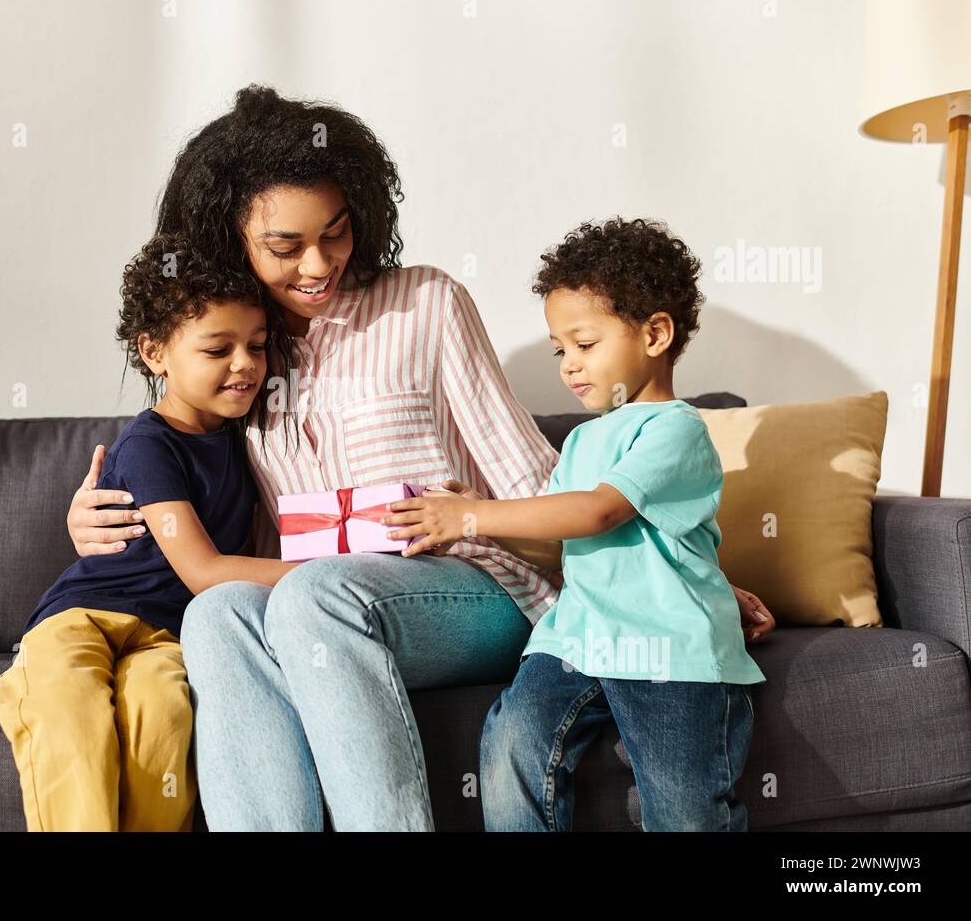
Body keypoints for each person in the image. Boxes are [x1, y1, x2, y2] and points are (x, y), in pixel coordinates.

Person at [65, 85, 775, 831]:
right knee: (216, 615)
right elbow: (175, 464)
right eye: (284, 247)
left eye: (335, 233)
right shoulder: (236, 354)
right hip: (318, 610)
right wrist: (104, 514)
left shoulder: (427, 304)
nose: (317, 264)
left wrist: (696, 577)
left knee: (317, 595)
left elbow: (540, 482)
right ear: (230, 241)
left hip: (474, 590)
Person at [384, 217, 768, 831]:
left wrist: (476, 513)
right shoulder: (583, 440)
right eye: (561, 349)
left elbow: (598, 511)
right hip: (577, 639)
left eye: (585, 345)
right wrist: (475, 524)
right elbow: (557, 547)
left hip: (667, 646)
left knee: (686, 809)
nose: (569, 365)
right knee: (512, 743)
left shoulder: (675, 428)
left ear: (656, 334)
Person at [0, 232, 296, 831]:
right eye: (218, 349)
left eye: (257, 346)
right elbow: (204, 571)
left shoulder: (250, 437)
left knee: (161, 724)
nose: (245, 365)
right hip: (84, 618)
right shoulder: (151, 442)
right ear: (155, 352)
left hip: (165, 636)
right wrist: (325, 576)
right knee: (73, 720)